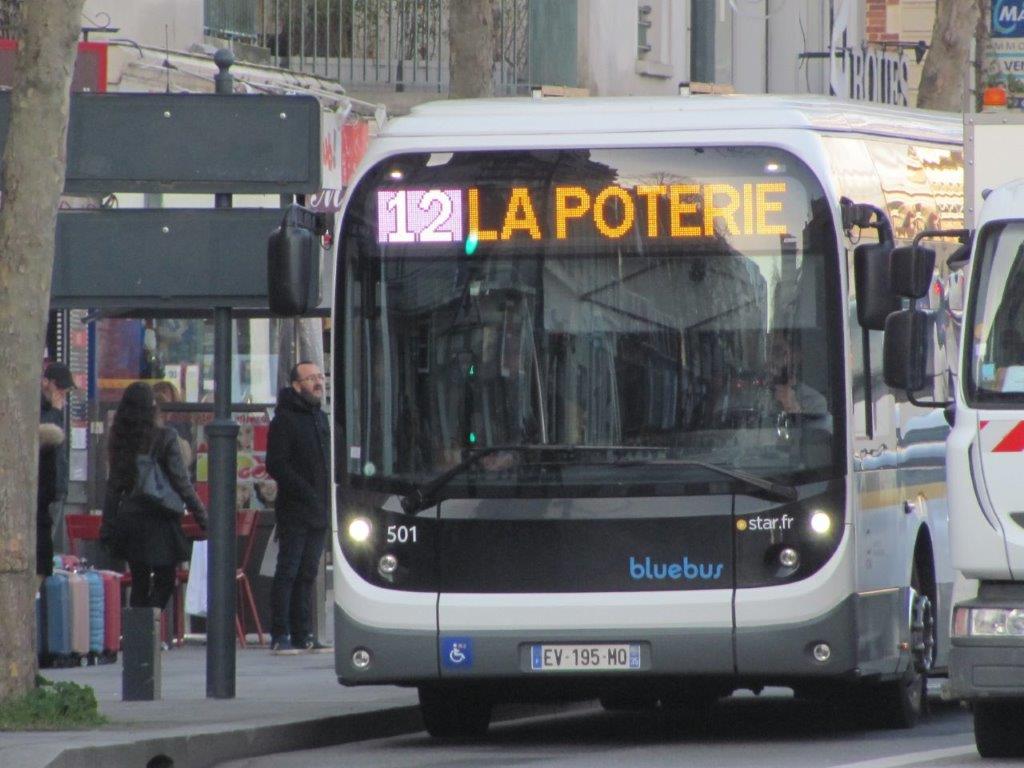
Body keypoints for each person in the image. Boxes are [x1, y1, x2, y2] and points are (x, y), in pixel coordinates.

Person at [100, 382, 207, 610]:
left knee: (139, 582)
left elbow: (113, 488)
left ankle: (139, 636)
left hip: (130, 520)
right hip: (160, 518)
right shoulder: (166, 437)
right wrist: (202, 516)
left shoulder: (120, 438)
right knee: (165, 579)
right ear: (152, 407)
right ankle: (150, 629)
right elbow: (182, 483)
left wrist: (108, 526)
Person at [265, 361, 332, 655]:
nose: (318, 382)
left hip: (319, 508)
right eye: (311, 378)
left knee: (308, 573)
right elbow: (276, 463)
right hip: (295, 508)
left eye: (320, 376)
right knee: (289, 570)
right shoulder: (285, 419)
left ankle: (304, 634)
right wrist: (305, 491)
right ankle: (281, 634)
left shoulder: (320, 417)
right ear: (296, 384)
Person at [38, 362, 75, 584]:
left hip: (57, 485)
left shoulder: (55, 410)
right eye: (59, 388)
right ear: (47, 383)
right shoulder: (46, 410)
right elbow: (47, 438)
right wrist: (55, 410)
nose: (62, 394)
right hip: (45, 487)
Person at [768, 333, 827, 416]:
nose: (771, 358)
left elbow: (814, 428)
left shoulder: (815, 401)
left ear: (796, 356)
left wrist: (792, 408)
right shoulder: (757, 395)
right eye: (768, 352)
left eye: (779, 352)